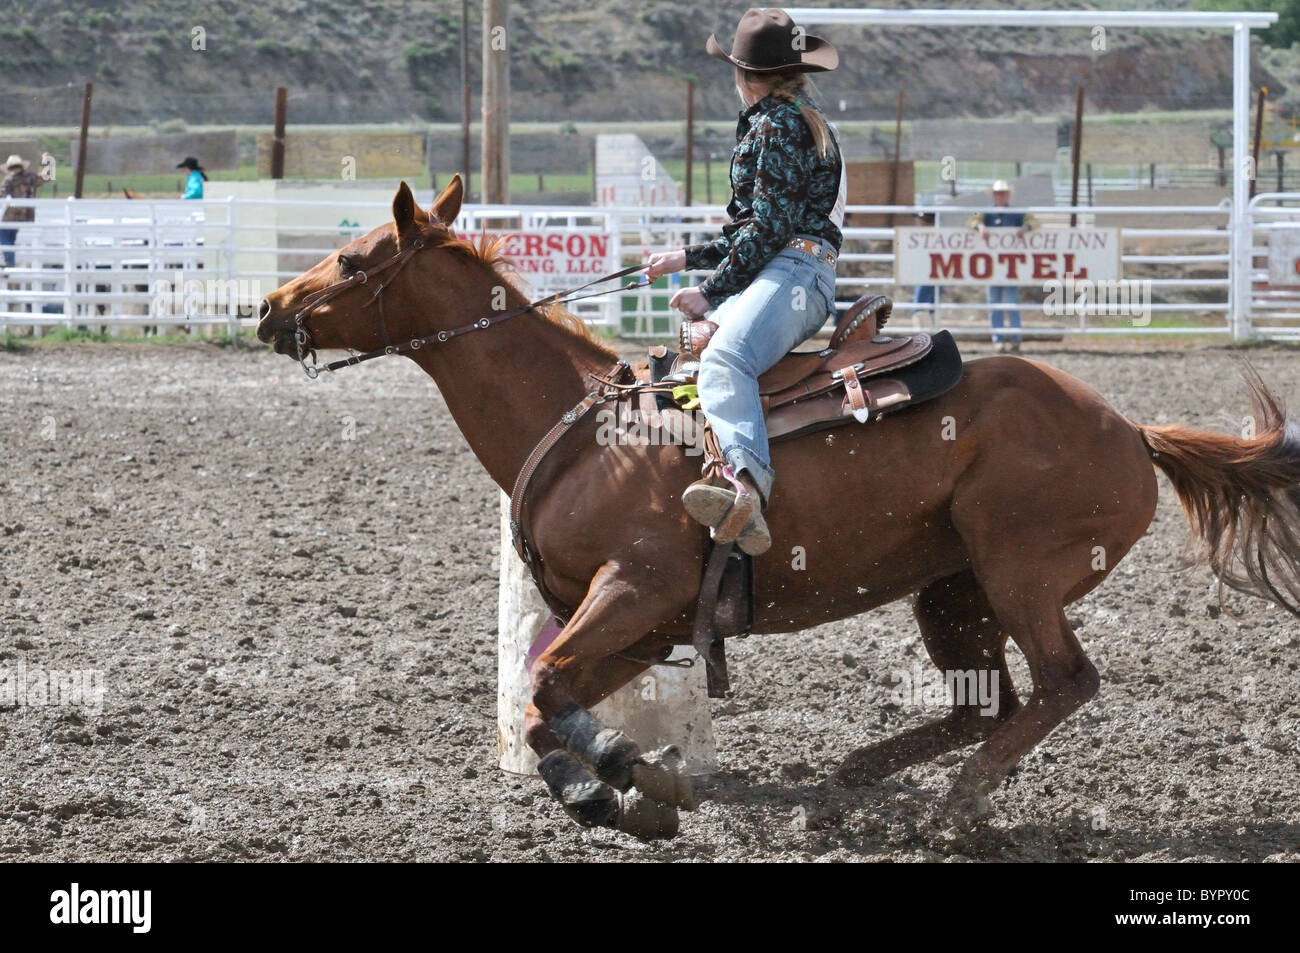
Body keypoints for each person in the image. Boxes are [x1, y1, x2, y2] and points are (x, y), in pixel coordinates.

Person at [645, 7, 843, 555]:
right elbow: (757, 226)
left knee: (726, 357)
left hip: (796, 269)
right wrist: (685, 258)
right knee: (701, 349)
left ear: (744, 73)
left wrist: (709, 289)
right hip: (794, 266)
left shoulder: (778, 124)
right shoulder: (790, 118)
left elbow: (770, 225)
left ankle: (745, 485)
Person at [967, 180, 1036, 352]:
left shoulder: (1017, 213)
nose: (1000, 196)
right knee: (994, 303)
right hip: (991, 265)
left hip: (1010, 266)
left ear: (1008, 195)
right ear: (993, 195)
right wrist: (980, 226)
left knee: (1012, 302)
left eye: (1003, 193)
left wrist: (1026, 227)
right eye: (997, 193)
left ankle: (1015, 339)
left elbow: (1033, 221)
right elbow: (972, 220)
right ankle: (998, 339)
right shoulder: (985, 213)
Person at [0, 153, 51, 268]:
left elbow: (2, 194)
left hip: (11, 214)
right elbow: (48, 176)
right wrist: (46, 161)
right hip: (26, 215)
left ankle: (9, 262)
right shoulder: (32, 177)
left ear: (9, 168)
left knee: (3, 236)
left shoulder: (9, 179)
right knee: (10, 239)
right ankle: (9, 261)